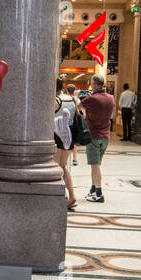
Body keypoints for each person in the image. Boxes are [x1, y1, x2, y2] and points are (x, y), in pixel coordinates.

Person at [80, 76, 117, 203]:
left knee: (95, 166)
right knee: (96, 164)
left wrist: (85, 114)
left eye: (91, 84)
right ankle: (93, 188)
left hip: (93, 136)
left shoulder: (91, 99)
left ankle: (99, 192)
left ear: (95, 84)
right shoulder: (111, 98)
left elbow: (79, 106)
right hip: (105, 136)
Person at [53, 79, 78, 209]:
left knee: (56, 167)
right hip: (69, 135)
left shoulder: (56, 100)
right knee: (62, 166)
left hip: (57, 135)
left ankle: (57, 196)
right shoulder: (71, 99)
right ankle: (72, 196)